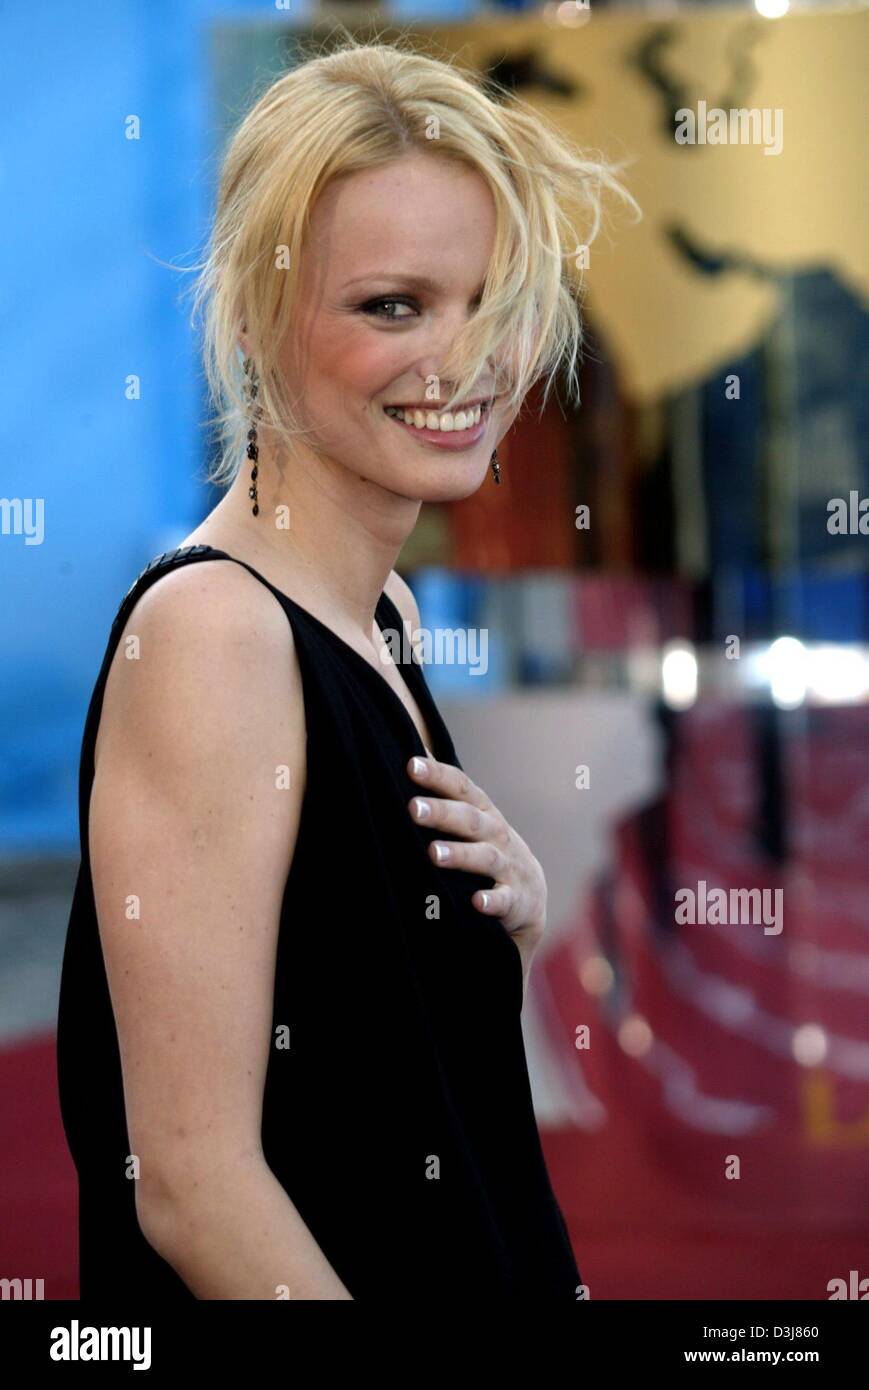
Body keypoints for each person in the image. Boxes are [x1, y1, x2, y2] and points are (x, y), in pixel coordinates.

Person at [56, 35, 637, 1300]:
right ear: (263, 317)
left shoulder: (384, 613)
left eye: (488, 299)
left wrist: (505, 922)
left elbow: (369, 1074)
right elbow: (196, 1189)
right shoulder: (216, 635)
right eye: (392, 306)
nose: (463, 358)